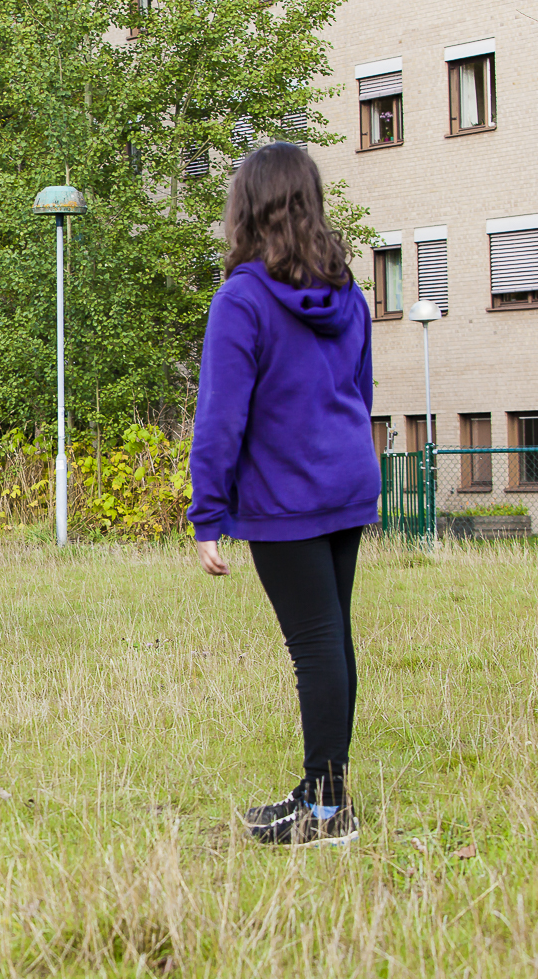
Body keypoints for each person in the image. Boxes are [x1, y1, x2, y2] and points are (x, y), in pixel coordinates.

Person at [189, 142, 380, 847]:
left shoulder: (241, 299)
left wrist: (207, 512)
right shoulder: (348, 290)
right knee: (333, 637)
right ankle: (322, 789)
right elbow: (360, 393)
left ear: (248, 206)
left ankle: (327, 811)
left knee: (316, 644)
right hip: (348, 479)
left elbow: (219, 418)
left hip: (289, 497)